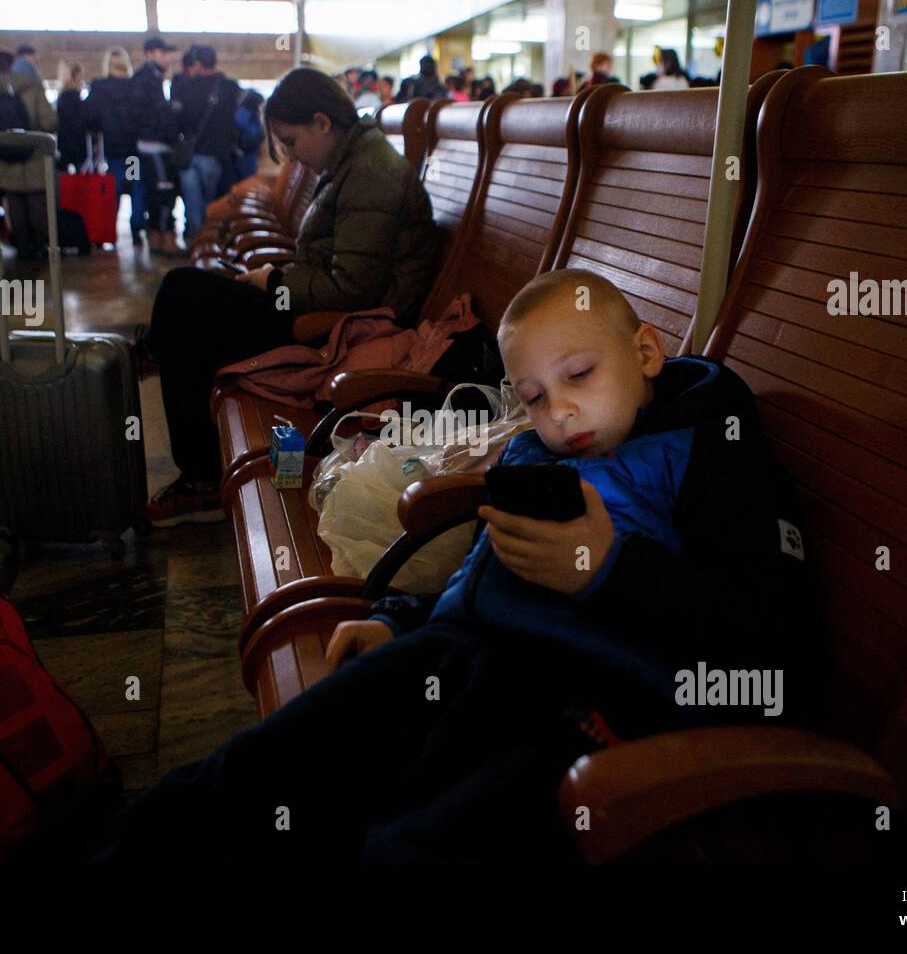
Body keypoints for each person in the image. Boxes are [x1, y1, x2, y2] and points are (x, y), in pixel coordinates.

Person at [103, 269, 817, 862]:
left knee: (410, 847)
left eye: (580, 374)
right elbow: (481, 575)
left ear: (647, 353)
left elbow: (771, 645)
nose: (561, 413)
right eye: (533, 397)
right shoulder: (541, 453)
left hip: (588, 699)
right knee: (250, 774)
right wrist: (398, 619)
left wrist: (608, 569)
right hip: (457, 653)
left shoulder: (713, 449)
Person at [135, 67, 439, 526]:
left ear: (322, 122)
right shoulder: (354, 161)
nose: (290, 157)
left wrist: (274, 283)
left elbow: (353, 286)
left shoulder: (371, 174)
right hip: (317, 305)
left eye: (291, 142)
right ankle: (161, 359)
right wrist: (274, 276)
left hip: (339, 326)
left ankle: (165, 383)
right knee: (187, 298)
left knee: (186, 303)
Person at [0, 50, 58, 260]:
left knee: (15, 206)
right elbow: (49, 122)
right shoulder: (33, 88)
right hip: (34, 157)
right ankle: (42, 249)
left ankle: (23, 250)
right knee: (37, 204)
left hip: (5, 160)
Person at [173, 45, 239, 243]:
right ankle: (210, 241)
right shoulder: (229, 87)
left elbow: (179, 120)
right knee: (211, 201)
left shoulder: (186, 87)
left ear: (197, 64)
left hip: (188, 153)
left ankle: (195, 240)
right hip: (214, 153)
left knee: (192, 200)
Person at [85, 46, 146, 246]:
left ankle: (108, 231)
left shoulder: (99, 87)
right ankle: (136, 228)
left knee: (113, 191)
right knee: (136, 187)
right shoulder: (135, 86)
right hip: (133, 149)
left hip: (111, 149)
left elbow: (91, 117)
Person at [132, 35, 182, 256]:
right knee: (164, 192)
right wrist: (171, 113)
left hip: (151, 146)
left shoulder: (150, 79)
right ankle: (165, 238)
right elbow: (149, 116)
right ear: (149, 54)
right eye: (162, 54)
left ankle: (156, 236)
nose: (166, 58)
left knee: (156, 193)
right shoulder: (146, 81)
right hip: (155, 146)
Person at [56, 59, 88, 170]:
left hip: (64, 144)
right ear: (76, 75)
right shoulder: (73, 96)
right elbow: (78, 121)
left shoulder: (62, 96)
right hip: (76, 145)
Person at [229, 88, 264, 186]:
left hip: (241, 151)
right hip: (248, 151)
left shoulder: (241, 111)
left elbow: (238, 123)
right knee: (248, 182)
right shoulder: (252, 111)